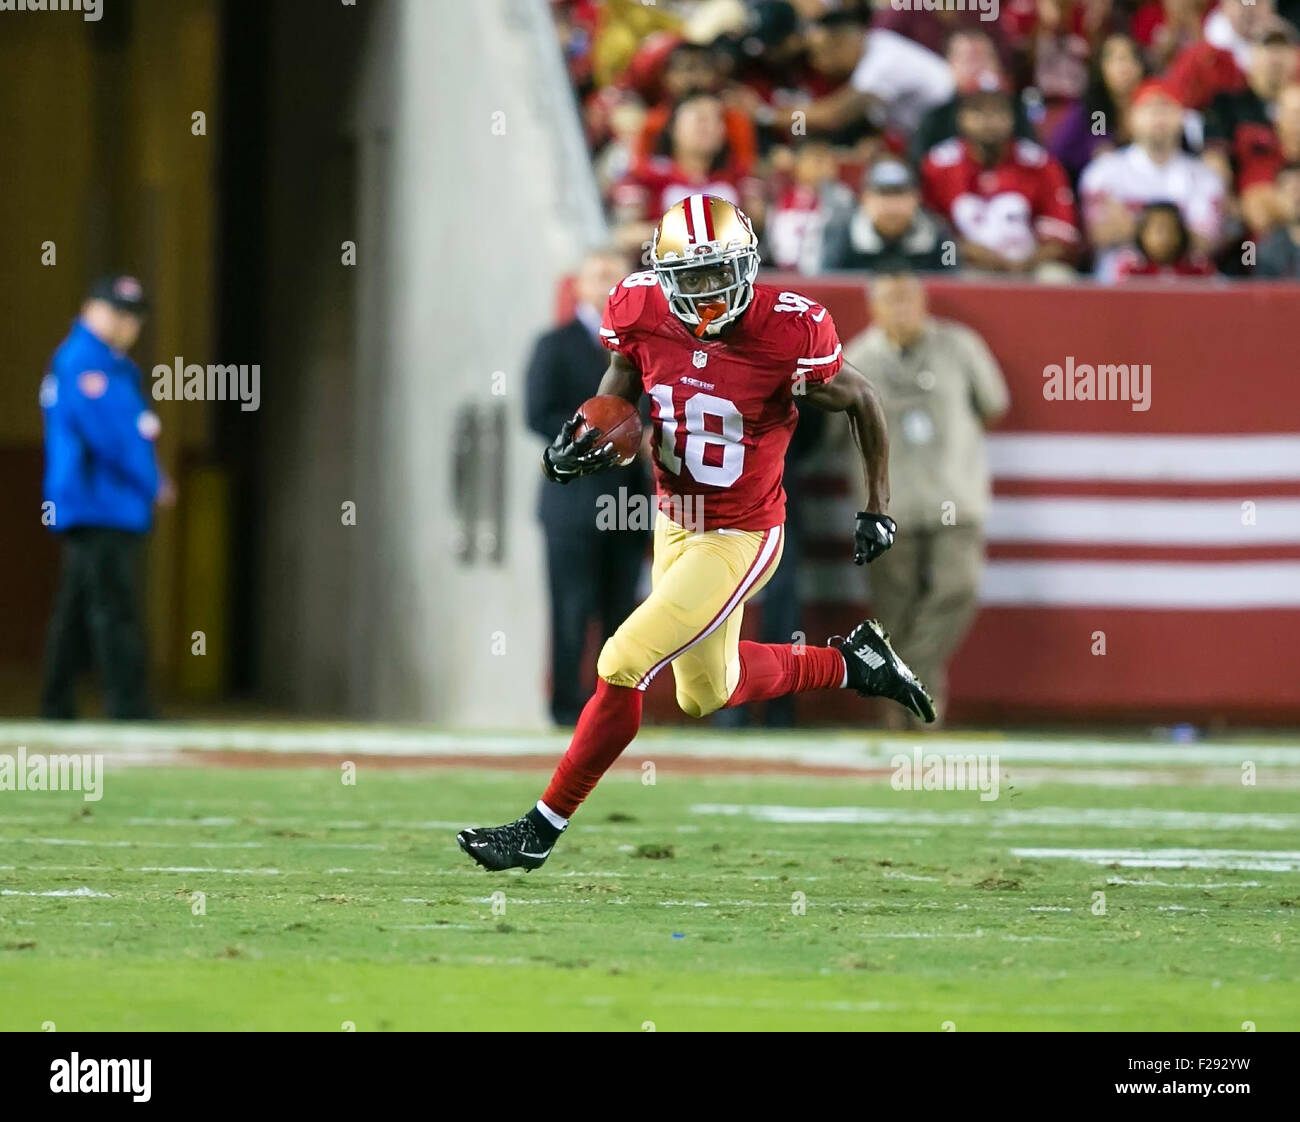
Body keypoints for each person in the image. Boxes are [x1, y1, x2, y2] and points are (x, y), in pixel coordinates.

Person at [459, 194, 935, 872]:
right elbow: (621, 383)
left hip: (742, 532)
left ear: (747, 266)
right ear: (665, 276)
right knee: (703, 692)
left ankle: (540, 828)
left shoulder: (789, 329)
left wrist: (877, 505)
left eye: (721, 273)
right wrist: (592, 432)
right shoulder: (638, 308)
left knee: (622, 659)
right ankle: (854, 663)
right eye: (694, 276)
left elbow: (862, 398)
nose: (709, 291)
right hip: (671, 518)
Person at [844, 273, 1008, 727]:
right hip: (886, 507)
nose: (900, 308)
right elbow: (835, 431)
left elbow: (994, 403)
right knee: (892, 610)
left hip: (956, 495)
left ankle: (898, 677)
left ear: (924, 303)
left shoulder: (960, 347)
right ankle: (907, 718)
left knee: (959, 587)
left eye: (908, 298)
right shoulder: (857, 359)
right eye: (889, 299)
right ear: (873, 308)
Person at [525, 248, 652, 726]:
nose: (606, 285)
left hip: (627, 501)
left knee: (622, 610)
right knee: (570, 609)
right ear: (578, 286)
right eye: (598, 276)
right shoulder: (554, 345)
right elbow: (536, 414)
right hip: (572, 502)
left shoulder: (642, 348)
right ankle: (564, 709)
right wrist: (602, 434)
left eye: (615, 277)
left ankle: (613, 710)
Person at [39, 275, 173, 719]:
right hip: (100, 503)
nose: (126, 323)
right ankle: (128, 705)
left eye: (133, 315)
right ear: (90, 308)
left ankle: (56, 704)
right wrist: (152, 479)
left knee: (78, 608)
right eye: (117, 311)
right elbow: (111, 437)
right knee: (113, 607)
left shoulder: (108, 365)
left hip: (100, 502)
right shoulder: (85, 363)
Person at [921, 80, 1081, 276]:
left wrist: (1025, 262)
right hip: (966, 263)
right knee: (954, 273)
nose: (988, 121)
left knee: (1057, 276)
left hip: (1030, 264)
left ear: (1011, 118)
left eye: (997, 112)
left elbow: (1063, 235)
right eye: (978, 112)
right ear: (961, 118)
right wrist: (969, 252)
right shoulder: (939, 164)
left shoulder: (1039, 164)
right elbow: (929, 232)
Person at [1079, 80, 1225, 281]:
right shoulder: (1103, 172)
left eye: (1166, 107)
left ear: (1182, 118)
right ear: (1131, 118)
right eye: (1149, 108)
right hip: (1118, 282)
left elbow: (1206, 241)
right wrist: (1175, 229)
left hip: (1189, 281)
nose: (1158, 116)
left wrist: (1134, 224)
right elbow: (1099, 234)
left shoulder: (1205, 176)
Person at [820, 157, 957, 273]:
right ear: (864, 199)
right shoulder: (839, 232)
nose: (892, 206)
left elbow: (953, 284)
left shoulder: (941, 235)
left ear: (917, 198)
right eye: (883, 195)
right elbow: (827, 287)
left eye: (899, 195)